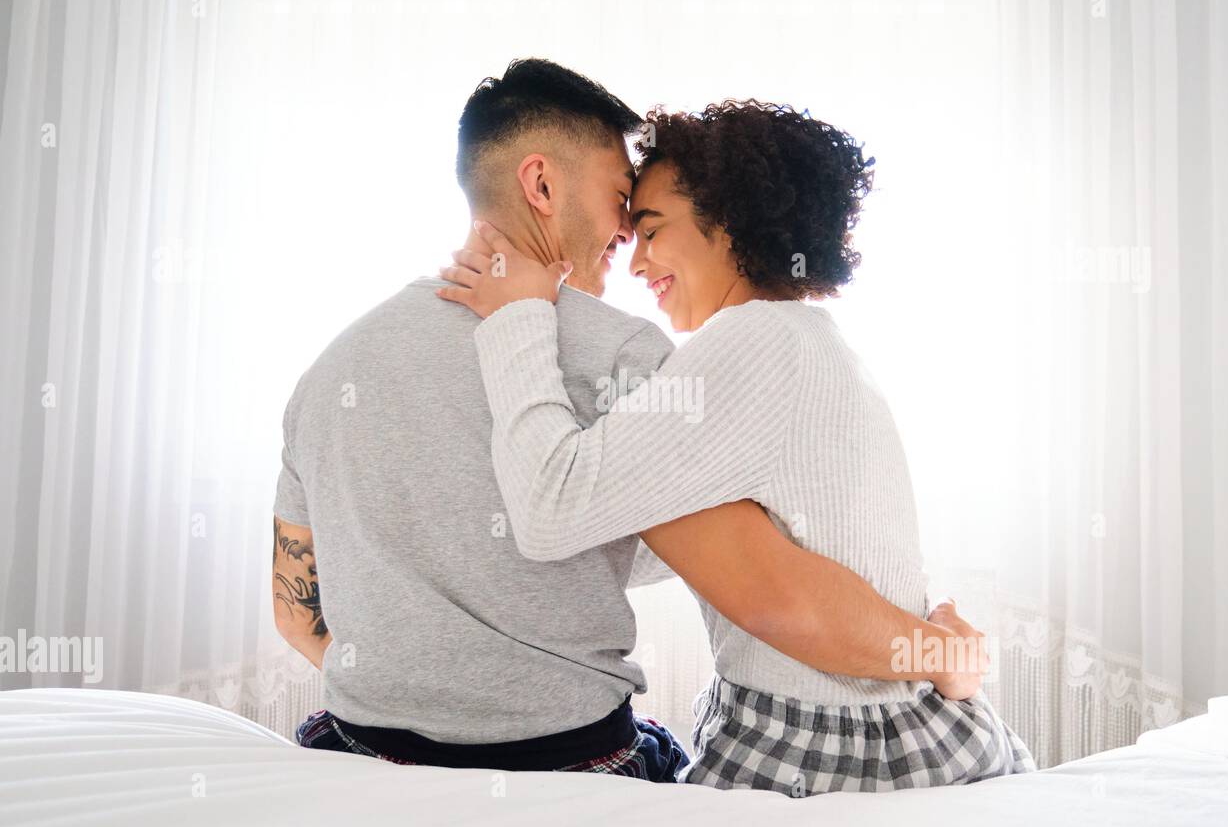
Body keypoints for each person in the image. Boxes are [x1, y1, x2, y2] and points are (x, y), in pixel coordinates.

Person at [274, 62, 985, 780]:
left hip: (360, 751)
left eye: (647, 224)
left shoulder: (331, 368)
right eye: (624, 204)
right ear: (542, 185)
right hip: (572, 760)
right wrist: (940, 652)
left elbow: (298, 617)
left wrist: (411, 715)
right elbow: (753, 580)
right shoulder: (629, 353)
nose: (626, 238)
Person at [440, 98, 1035, 794]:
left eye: (654, 230)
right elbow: (690, 543)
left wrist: (519, 313)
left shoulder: (754, 342)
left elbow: (553, 509)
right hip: (883, 720)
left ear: (728, 225)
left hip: (837, 747)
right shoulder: (800, 338)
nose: (637, 264)